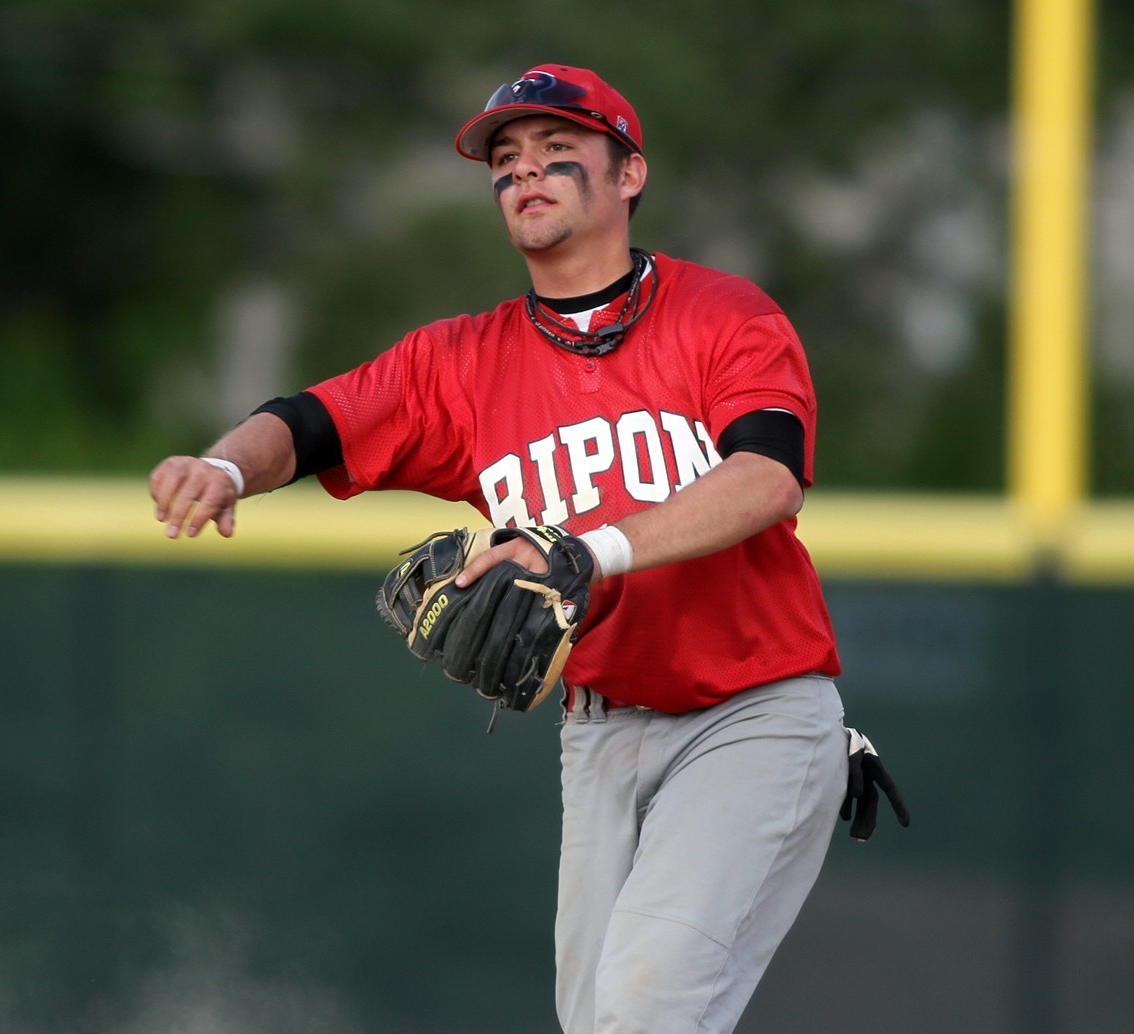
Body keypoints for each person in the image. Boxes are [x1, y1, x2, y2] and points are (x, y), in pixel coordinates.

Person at [149, 63, 886, 1034]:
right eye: (504, 161)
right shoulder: (462, 362)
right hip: (599, 731)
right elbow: (312, 417)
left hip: (752, 714)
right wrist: (228, 467)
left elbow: (768, 476)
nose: (523, 174)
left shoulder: (722, 315)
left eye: (555, 152)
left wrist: (588, 549)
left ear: (629, 174)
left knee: (646, 1009)